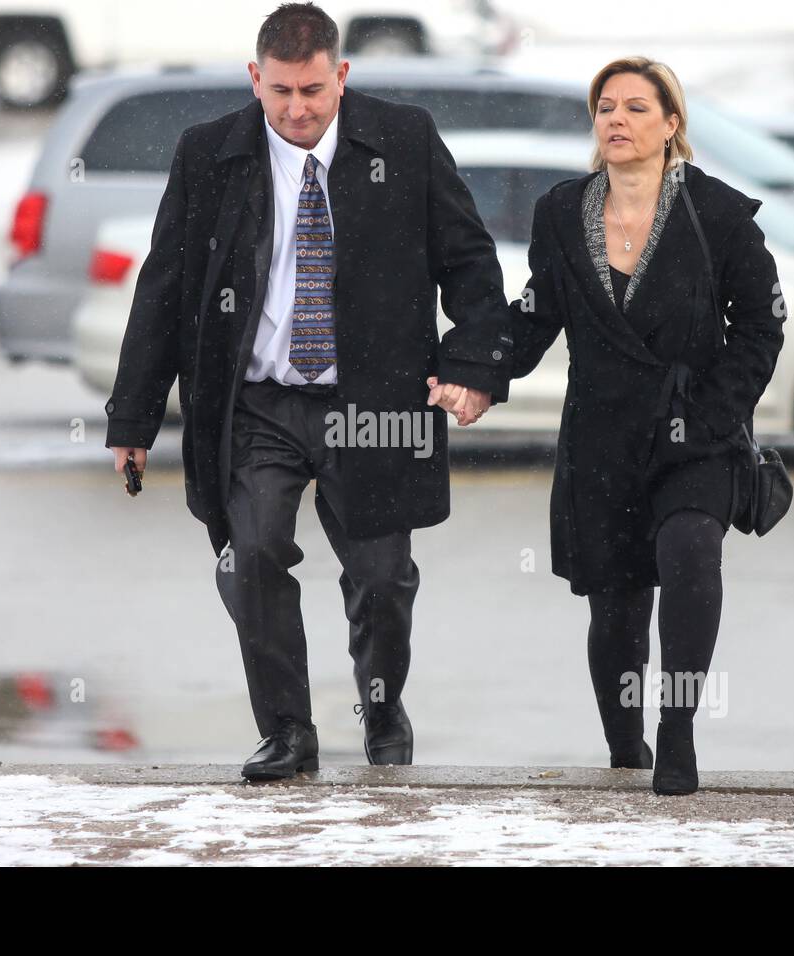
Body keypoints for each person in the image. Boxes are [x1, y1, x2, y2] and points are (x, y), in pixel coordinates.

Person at [104, 3, 513, 780]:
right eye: (282, 90)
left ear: (342, 76)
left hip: (375, 403)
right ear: (255, 78)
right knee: (251, 556)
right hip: (258, 403)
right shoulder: (208, 154)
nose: (297, 109)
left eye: (315, 91)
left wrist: (473, 366)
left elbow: (469, 261)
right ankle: (288, 730)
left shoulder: (405, 140)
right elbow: (164, 289)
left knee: (383, 579)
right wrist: (132, 415)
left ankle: (383, 706)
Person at [507, 57, 786, 795]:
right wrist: (470, 371)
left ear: (671, 124)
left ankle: (678, 731)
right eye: (606, 108)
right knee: (617, 604)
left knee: (692, 554)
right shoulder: (562, 212)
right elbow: (537, 317)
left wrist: (712, 415)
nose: (618, 120)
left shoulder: (717, 213)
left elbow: (761, 327)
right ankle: (624, 746)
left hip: (695, 434)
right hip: (601, 439)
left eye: (636, 107)